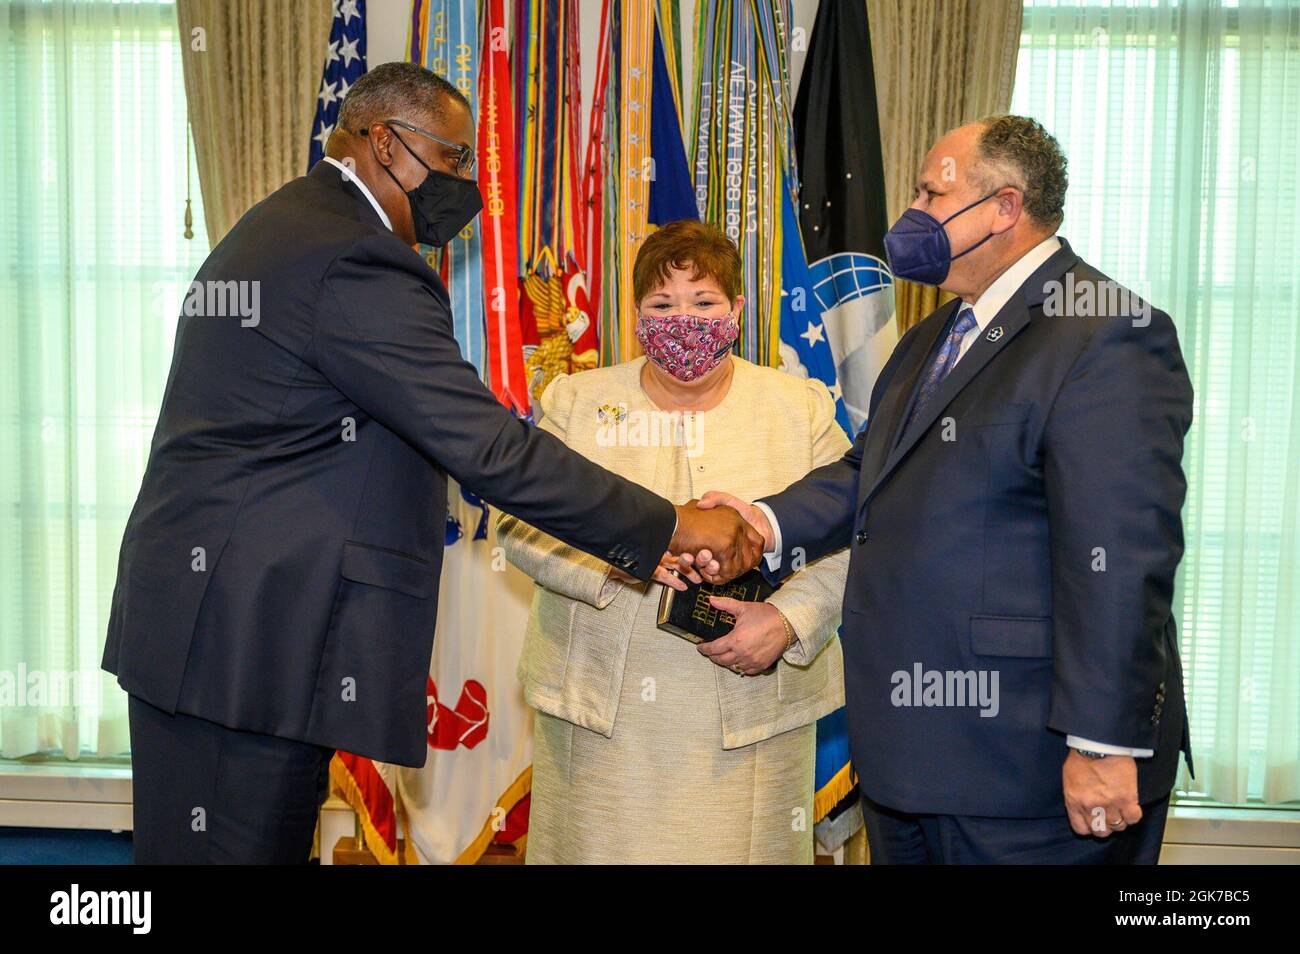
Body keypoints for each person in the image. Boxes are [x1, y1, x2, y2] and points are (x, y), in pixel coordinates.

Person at [104, 62, 761, 864]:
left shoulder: (297, 222)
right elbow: (485, 446)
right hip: (245, 641)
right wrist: (670, 524)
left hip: (228, 630)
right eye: (451, 161)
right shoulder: (355, 256)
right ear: (385, 142)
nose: (462, 186)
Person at [702, 115, 1194, 864]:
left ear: (1004, 207)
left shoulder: (1105, 332)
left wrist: (1101, 743)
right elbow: (872, 470)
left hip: (1028, 771)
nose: (915, 213)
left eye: (934, 193)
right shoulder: (936, 334)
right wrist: (763, 521)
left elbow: (1119, 557)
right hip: (913, 760)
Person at [496, 220, 849, 863]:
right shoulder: (577, 401)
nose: (683, 317)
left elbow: (858, 533)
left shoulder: (797, 407)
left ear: (738, 310)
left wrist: (791, 621)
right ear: (636, 317)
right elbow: (517, 526)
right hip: (601, 729)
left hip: (754, 725)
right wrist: (619, 558)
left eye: (704, 301)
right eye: (663, 304)